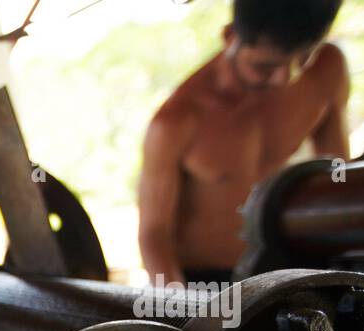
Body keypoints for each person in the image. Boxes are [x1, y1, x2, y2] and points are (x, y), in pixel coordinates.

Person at [138, 0, 349, 285]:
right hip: (207, 282)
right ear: (229, 37)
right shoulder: (176, 122)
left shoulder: (326, 70)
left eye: (302, 59)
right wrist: (176, 300)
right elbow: (154, 234)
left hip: (284, 268)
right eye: (264, 66)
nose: (283, 79)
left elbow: (338, 170)